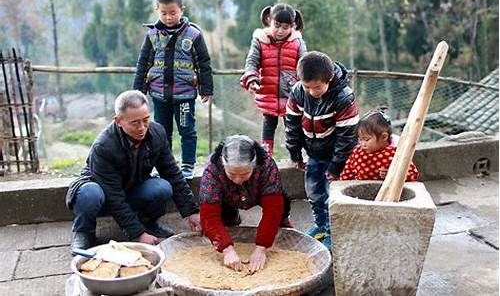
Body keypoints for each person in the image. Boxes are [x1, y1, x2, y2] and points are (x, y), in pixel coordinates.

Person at [66, 90, 201, 251]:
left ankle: (148, 222)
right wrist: (137, 234)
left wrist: (191, 212)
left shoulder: (157, 132)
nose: (142, 128)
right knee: (90, 193)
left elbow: (172, 173)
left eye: (145, 120)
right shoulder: (104, 146)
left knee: (162, 187)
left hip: (131, 189)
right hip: (103, 196)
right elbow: (113, 196)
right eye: (135, 123)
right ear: (118, 121)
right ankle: (84, 232)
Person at [133, 0, 213, 180]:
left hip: (184, 96)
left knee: (187, 130)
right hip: (159, 95)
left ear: (181, 10)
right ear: (157, 11)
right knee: (161, 132)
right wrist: (139, 90)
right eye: (164, 13)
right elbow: (143, 62)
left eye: (173, 13)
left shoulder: (193, 35)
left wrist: (206, 89)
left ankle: (187, 165)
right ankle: (165, 166)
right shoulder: (152, 35)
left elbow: (203, 63)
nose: (168, 17)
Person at [285, 51, 359, 249]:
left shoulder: (344, 98)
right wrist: (295, 152)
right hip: (313, 154)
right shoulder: (298, 91)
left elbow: (347, 137)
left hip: (336, 157)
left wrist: (336, 167)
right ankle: (321, 226)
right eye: (307, 86)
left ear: (330, 78)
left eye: (317, 87)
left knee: (332, 195)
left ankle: (333, 231)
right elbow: (291, 123)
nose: (311, 92)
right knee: (314, 192)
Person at [199, 135, 292, 273]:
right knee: (220, 221)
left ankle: (283, 222)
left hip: (257, 193)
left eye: (244, 174)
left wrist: (261, 248)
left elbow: (272, 208)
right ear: (223, 164)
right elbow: (209, 213)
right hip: (227, 198)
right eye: (232, 174)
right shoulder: (212, 170)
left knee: (281, 201)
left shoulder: (266, 164)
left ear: (254, 165)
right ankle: (231, 219)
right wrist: (226, 249)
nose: (237, 179)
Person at [240, 3, 306, 156]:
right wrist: (252, 79)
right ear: (269, 20)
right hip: (268, 90)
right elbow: (252, 62)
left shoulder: (298, 42)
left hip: (292, 94)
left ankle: (296, 156)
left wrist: (307, 85)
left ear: (293, 25)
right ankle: (266, 157)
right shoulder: (259, 40)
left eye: (285, 27)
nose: (280, 31)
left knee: (293, 127)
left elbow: (304, 63)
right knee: (268, 125)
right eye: (277, 25)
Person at [340, 109, 419, 181]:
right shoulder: (357, 153)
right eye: (360, 139)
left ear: (384, 137)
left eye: (366, 139)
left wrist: (391, 175)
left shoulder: (396, 153)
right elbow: (346, 176)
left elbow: (413, 174)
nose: (362, 144)